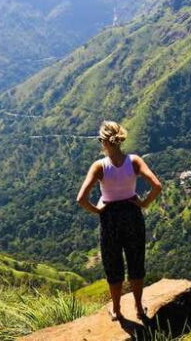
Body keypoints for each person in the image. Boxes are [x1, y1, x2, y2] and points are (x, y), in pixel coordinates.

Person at [76, 121, 162, 321]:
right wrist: (143, 203)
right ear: (119, 140)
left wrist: (98, 210)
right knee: (136, 262)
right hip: (132, 215)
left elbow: (81, 199)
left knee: (113, 265)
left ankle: (116, 310)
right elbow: (157, 185)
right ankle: (139, 309)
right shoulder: (134, 161)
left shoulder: (100, 166)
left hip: (110, 218)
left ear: (103, 142)